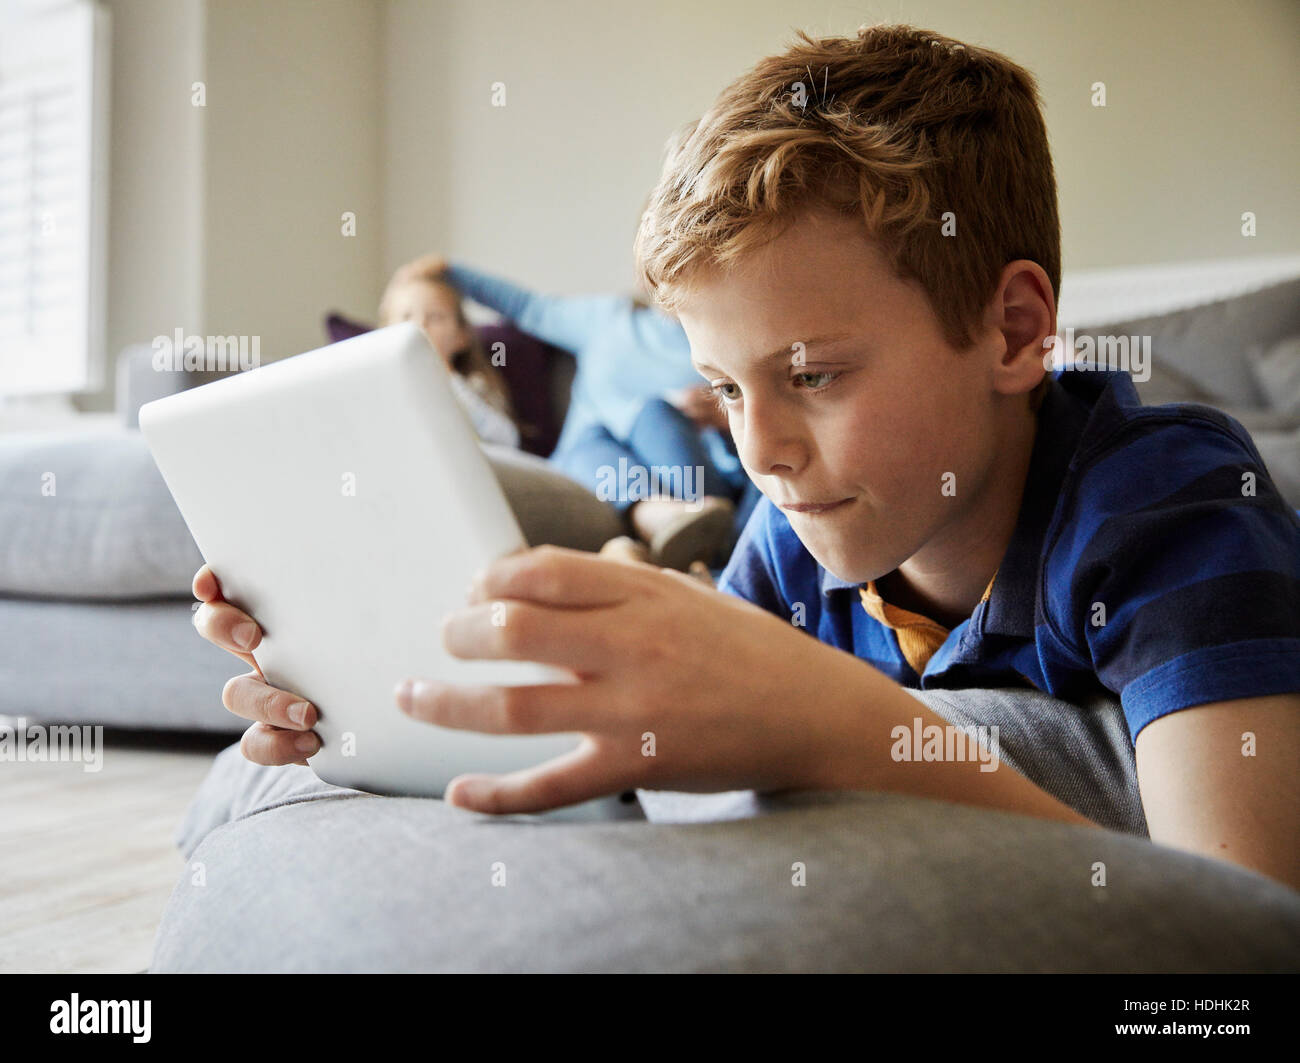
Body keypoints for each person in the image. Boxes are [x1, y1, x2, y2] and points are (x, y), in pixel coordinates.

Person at [192, 25, 1299, 891]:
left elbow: (1245, 930)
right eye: (723, 388)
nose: (758, 450)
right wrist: (386, 695)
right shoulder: (787, 538)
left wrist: (840, 725)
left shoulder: (1168, 511)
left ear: (1012, 331)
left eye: (811, 374)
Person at [414, 256, 760, 569]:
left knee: (653, 413)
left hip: (688, 470)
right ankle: (656, 518)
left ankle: (697, 534)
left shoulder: (721, 341)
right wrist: (448, 271)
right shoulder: (607, 318)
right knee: (587, 441)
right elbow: (528, 307)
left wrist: (723, 415)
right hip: (595, 459)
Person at [378, 255, 522, 449]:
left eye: (435, 317)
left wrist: (448, 380)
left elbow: (507, 440)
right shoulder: (381, 387)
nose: (420, 325)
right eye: (406, 316)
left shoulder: (474, 385)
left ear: (461, 336)